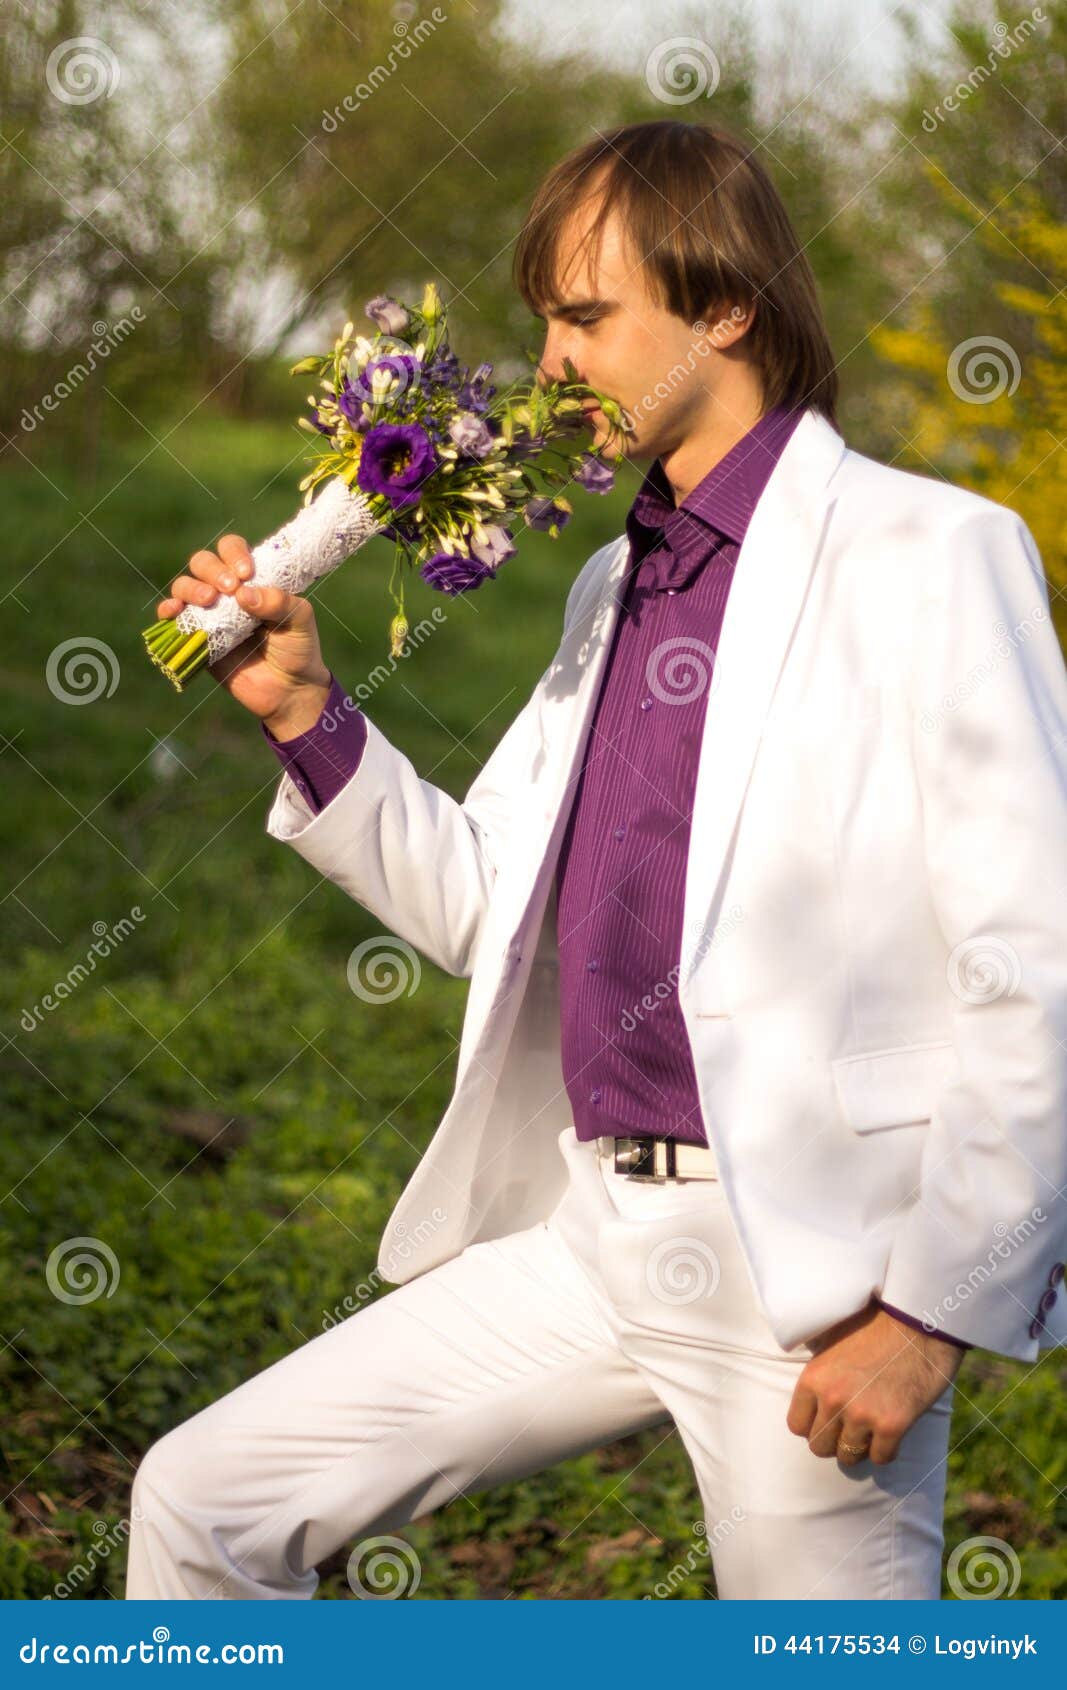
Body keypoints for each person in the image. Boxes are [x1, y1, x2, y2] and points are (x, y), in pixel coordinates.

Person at [125, 119, 1067, 1601]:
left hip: (809, 1289)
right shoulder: (614, 582)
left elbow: (1038, 963)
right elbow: (487, 907)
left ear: (725, 304)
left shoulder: (931, 555)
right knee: (202, 1503)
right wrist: (307, 711)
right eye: (545, 321)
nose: (549, 365)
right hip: (595, 1236)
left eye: (584, 316)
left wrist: (928, 1310)